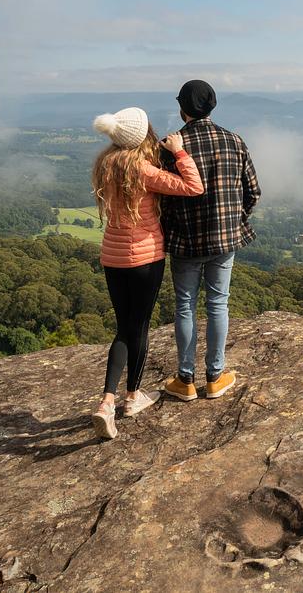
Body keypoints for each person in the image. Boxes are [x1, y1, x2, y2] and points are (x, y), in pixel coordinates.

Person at [88, 107, 204, 440]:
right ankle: (128, 398)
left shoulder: (106, 165)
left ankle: (107, 401)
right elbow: (192, 187)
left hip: (112, 257)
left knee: (123, 328)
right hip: (145, 258)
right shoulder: (143, 170)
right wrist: (179, 151)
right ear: (140, 136)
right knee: (138, 328)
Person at [161, 80, 261, 402]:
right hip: (224, 240)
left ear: (182, 108)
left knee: (185, 305)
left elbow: (161, 199)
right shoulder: (234, 141)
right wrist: (233, 220)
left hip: (185, 241)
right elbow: (253, 192)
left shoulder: (171, 147)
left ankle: (185, 380)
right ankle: (216, 377)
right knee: (218, 303)